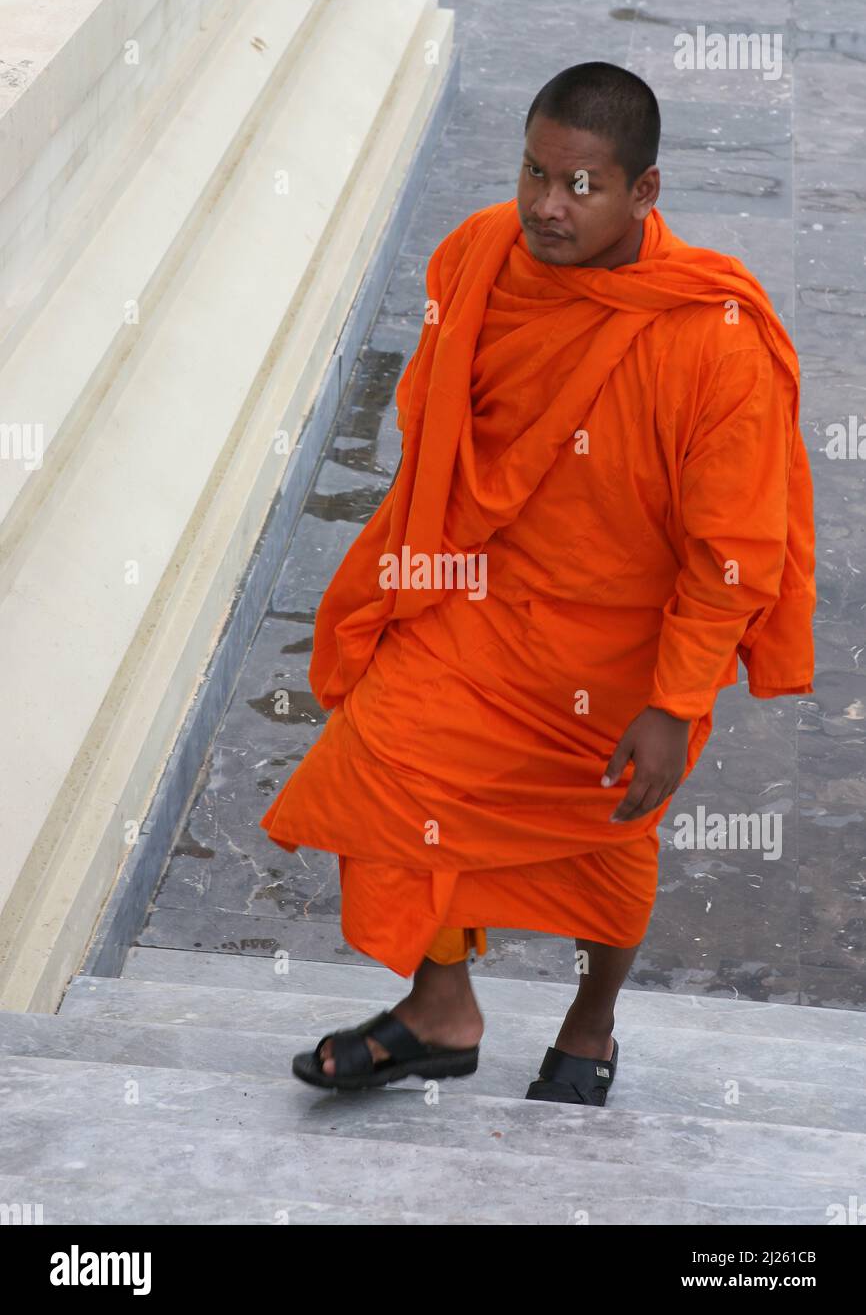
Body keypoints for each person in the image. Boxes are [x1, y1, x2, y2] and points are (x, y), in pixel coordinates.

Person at [259, 61, 816, 1106]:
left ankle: (589, 1023)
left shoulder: (711, 337)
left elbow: (731, 548)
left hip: (617, 647)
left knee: (607, 842)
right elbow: (439, 435)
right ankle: (441, 1007)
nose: (545, 206)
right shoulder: (476, 255)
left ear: (641, 192)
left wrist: (673, 700)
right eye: (532, 172)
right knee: (379, 771)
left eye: (579, 185)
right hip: (475, 608)